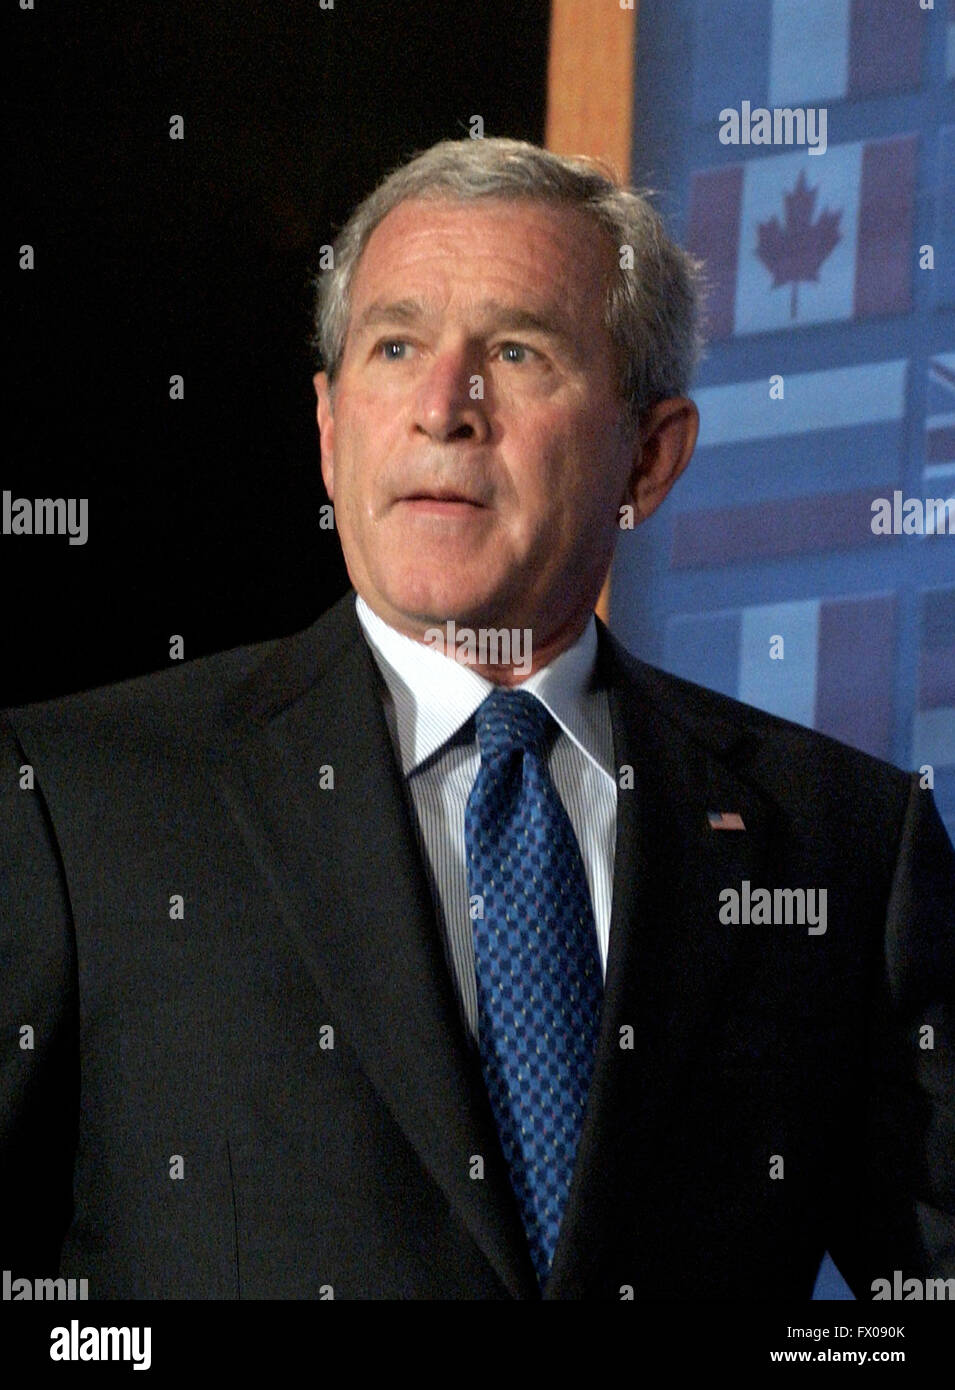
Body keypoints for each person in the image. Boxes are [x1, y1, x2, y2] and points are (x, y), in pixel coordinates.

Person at [2, 138, 952, 1301]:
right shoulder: (75, 797)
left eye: (515, 351)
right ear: (328, 427)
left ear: (649, 457)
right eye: (395, 346)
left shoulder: (841, 843)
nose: (443, 408)